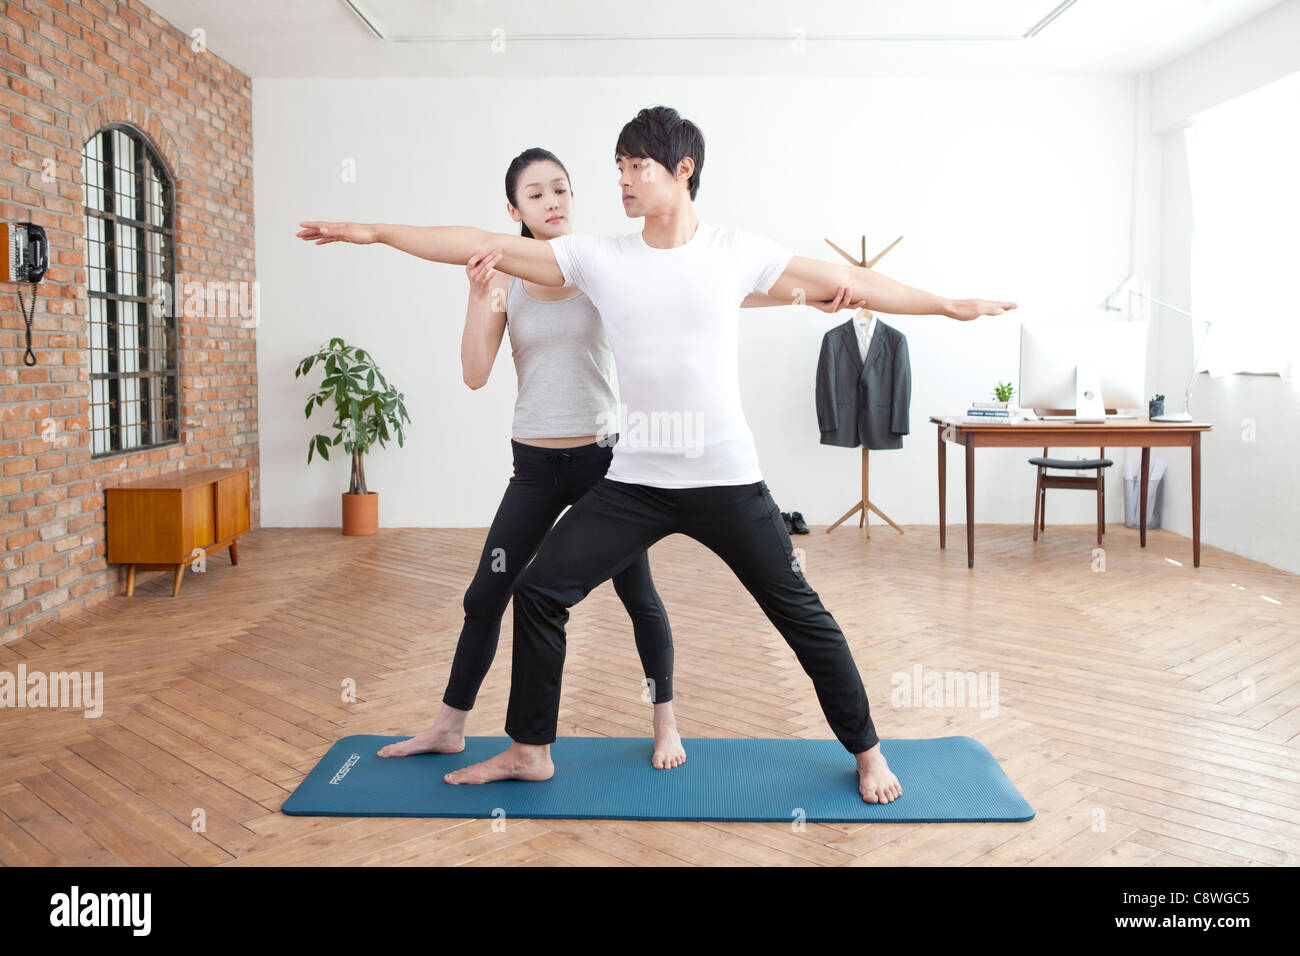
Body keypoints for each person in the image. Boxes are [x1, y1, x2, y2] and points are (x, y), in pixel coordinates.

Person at [298, 105, 1016, 804]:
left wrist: (947, 305)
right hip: (636, 479)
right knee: (540, 592)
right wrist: (372, 231)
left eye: (637, 166)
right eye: (617, 168)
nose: (623, 181)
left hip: (726, 478)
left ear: (683, 169)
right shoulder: (598, 258)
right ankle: (527, 750)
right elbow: (471, 241)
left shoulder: (736, 253)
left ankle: (867, 751)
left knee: (802, 616)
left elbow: (846, 282)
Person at [358, 146, 866, 771]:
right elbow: (473, 375)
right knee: (487, 594)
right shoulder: (509, 280)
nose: (553, 202)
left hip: (607, 464)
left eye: (561, 190)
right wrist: (476, 291)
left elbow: (697, 292)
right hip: (535, 468)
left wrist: (796, 298)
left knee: (640, 599)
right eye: (537, 193)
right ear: (513, 208)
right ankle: (449, 727)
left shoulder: (601, 266)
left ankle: (665, 722)